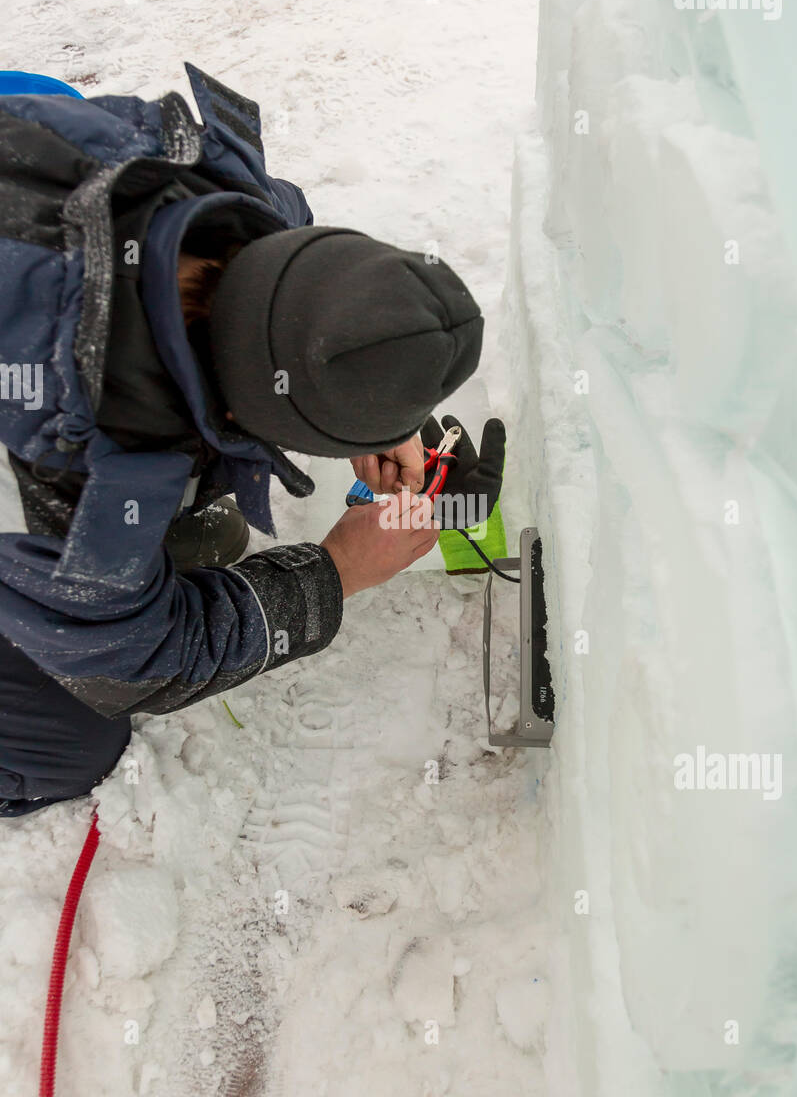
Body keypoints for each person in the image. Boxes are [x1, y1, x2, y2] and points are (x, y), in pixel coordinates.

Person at [0, 64, 504, 818]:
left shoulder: (217, 191)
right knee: (69, 747)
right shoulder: (59, 469)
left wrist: (374, 399)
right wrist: (334, 572)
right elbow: (134, 664)